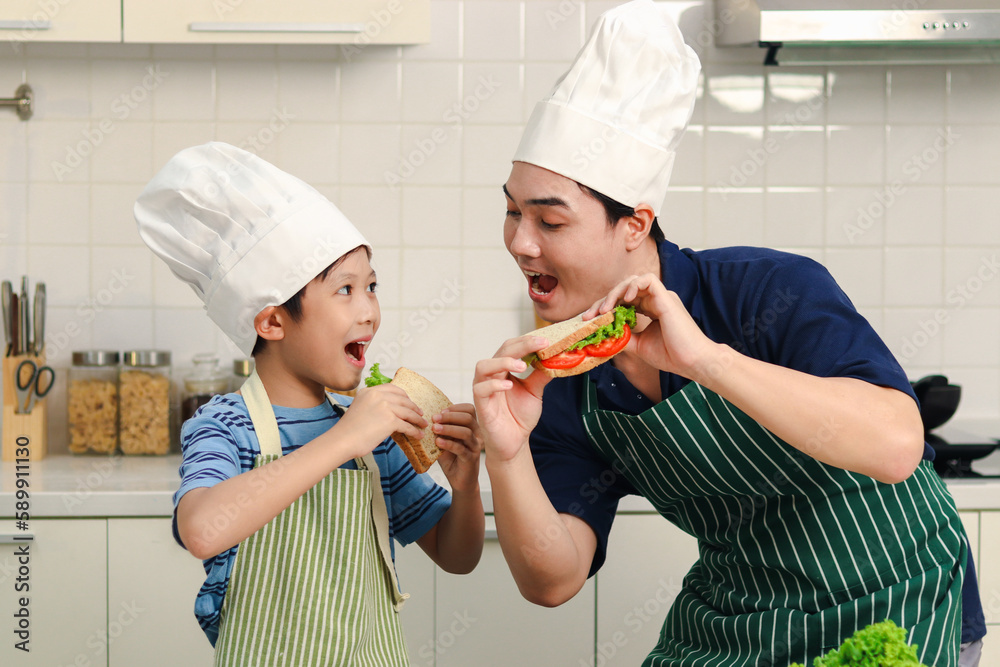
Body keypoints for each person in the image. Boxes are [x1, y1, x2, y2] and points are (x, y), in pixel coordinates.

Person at [472, 2, 985, 666]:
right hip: (743, 616)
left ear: (635, 225)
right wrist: (507, 452)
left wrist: (705, 361)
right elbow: (553, 579)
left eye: (550, 221)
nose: (519, 241)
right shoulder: (564, 380)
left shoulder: (767, 290)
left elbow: (896, 447)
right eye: (511, 211)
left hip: (896, 602)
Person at [135, 142, 485, 665]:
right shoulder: (227, 426)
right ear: (273, 321)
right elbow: (202, 531)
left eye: (372, 286)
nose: (369, 310)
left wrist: (465, 484)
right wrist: (344, 438)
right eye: (345, 290)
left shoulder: (377, 437)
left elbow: (458, 557)